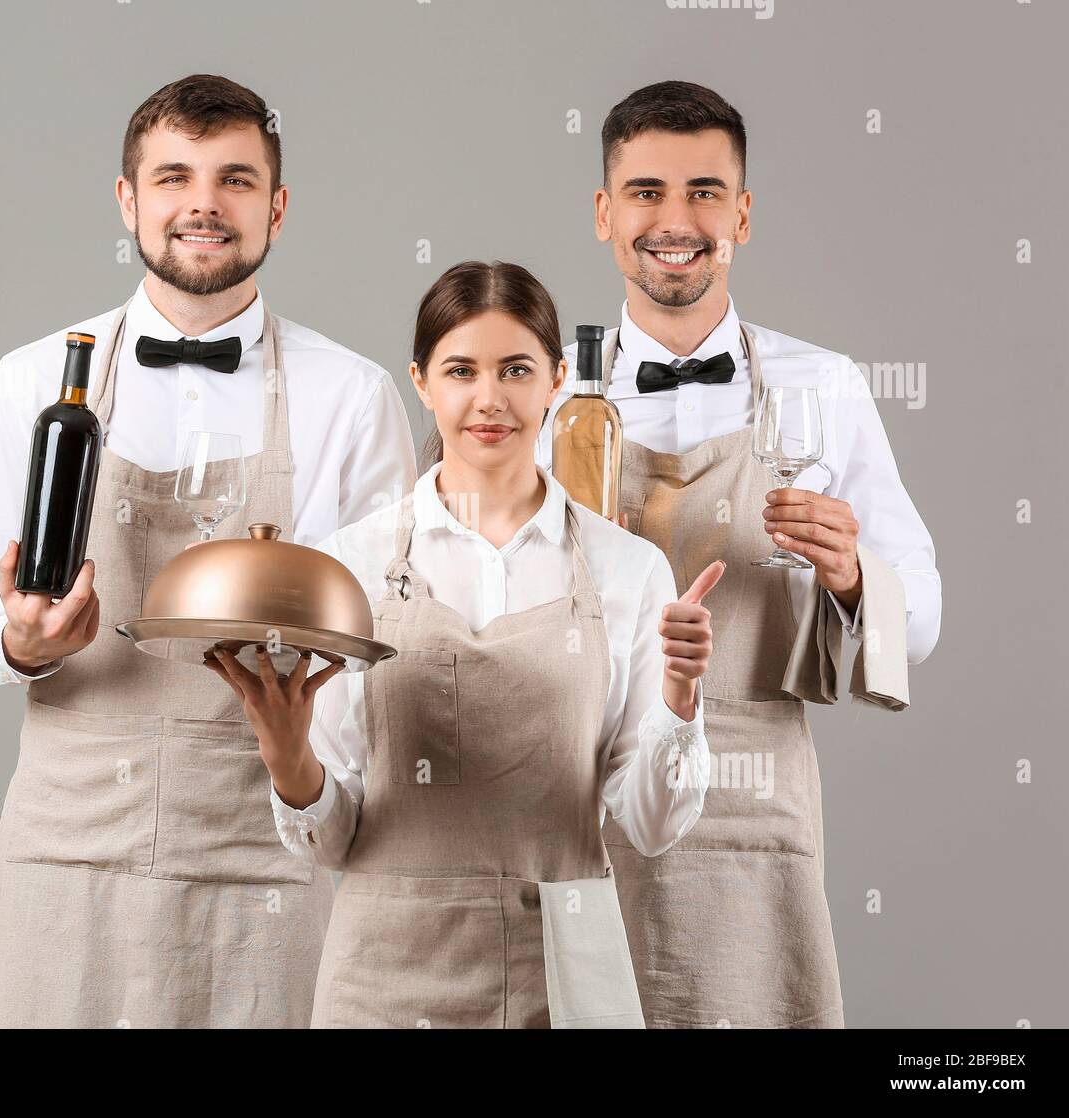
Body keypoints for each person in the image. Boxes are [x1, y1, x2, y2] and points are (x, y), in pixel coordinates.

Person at [0, 74, 416, 1027]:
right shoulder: (32, 380)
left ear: (276, 206)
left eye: (235, 179)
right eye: (173, 178)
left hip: (267, 835)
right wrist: (22, 642)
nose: (203, 204)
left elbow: (385, 623)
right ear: (129, 201)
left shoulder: (352, 396)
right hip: (70, 838)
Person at [206, 260, 722, 1028]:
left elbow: (649, 826)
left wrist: (680, 701)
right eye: (460, 370)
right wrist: (288, 758)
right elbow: (335, 837)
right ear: (421, 382)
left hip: (565, 972)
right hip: (387, 974)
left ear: (556, 380)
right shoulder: (350, 565)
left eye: (517, 369)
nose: (490, 399)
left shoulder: (629, 570)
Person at [536, 80, 942, 1028]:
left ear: (743, 215)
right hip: (571, 798)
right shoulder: (540, 391)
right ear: (605, 213)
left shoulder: (824, 386)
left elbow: (920, 613)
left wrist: (848, 576)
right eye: (645, 192)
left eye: (705, 192)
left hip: (752, 814)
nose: (675, 221)